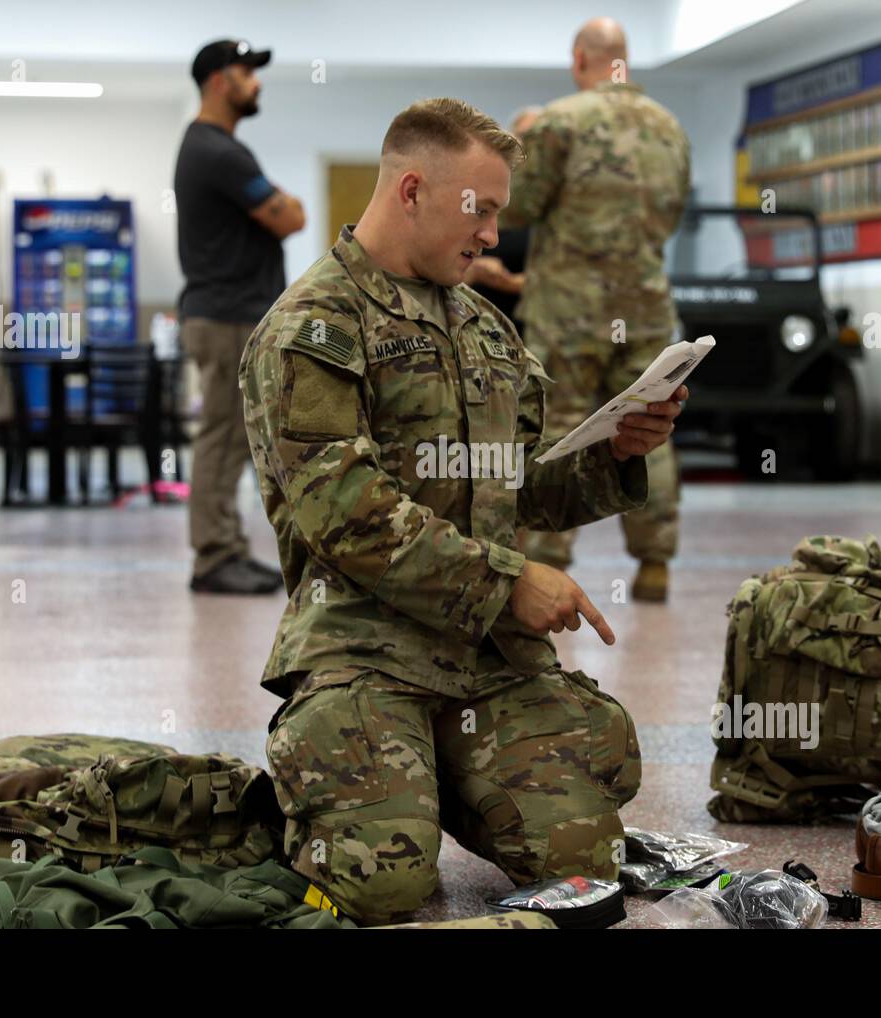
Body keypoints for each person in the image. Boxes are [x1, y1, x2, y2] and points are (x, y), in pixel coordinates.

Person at [239, 98, 688, 925]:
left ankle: (428, 771)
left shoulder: (484, 327)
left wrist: (617, 452)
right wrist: (508, 583)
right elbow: (346, 516)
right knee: (380, 885)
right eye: (481, 210)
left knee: (586, 856)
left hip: (485, 657)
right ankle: (377, 781)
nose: (493, 235)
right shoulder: (314, 326)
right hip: (364, 648)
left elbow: (523, 486)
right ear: (412, 189)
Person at [499, 17, 692, 602]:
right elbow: (672, 215)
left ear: (580, 59)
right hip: (644, 306)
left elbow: (517, 206)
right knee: (651, 426)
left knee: (555, 425)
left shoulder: (560, 121)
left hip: (570, 308)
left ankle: (548, 562)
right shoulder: (670, 128)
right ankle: (655, 564)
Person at [174, 39, 305, 594]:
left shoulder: (214, 149)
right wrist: (285, 203)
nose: (256, 82)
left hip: (229, 313)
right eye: (246, 72)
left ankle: (227, 547)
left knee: (232, 439)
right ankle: (213, 556)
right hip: (228, 316)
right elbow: (290, 218)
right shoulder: (219, 153)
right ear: (217, 81)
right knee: (224, 436)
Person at [463, 106, 540, 331]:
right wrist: (473, 269)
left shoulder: (559, 208)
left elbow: (573, 279)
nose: (531, 147)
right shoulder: (477, 193)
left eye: (539, 139)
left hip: (531, 328)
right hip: (475, 321)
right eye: (525, 137)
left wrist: (510, 282)